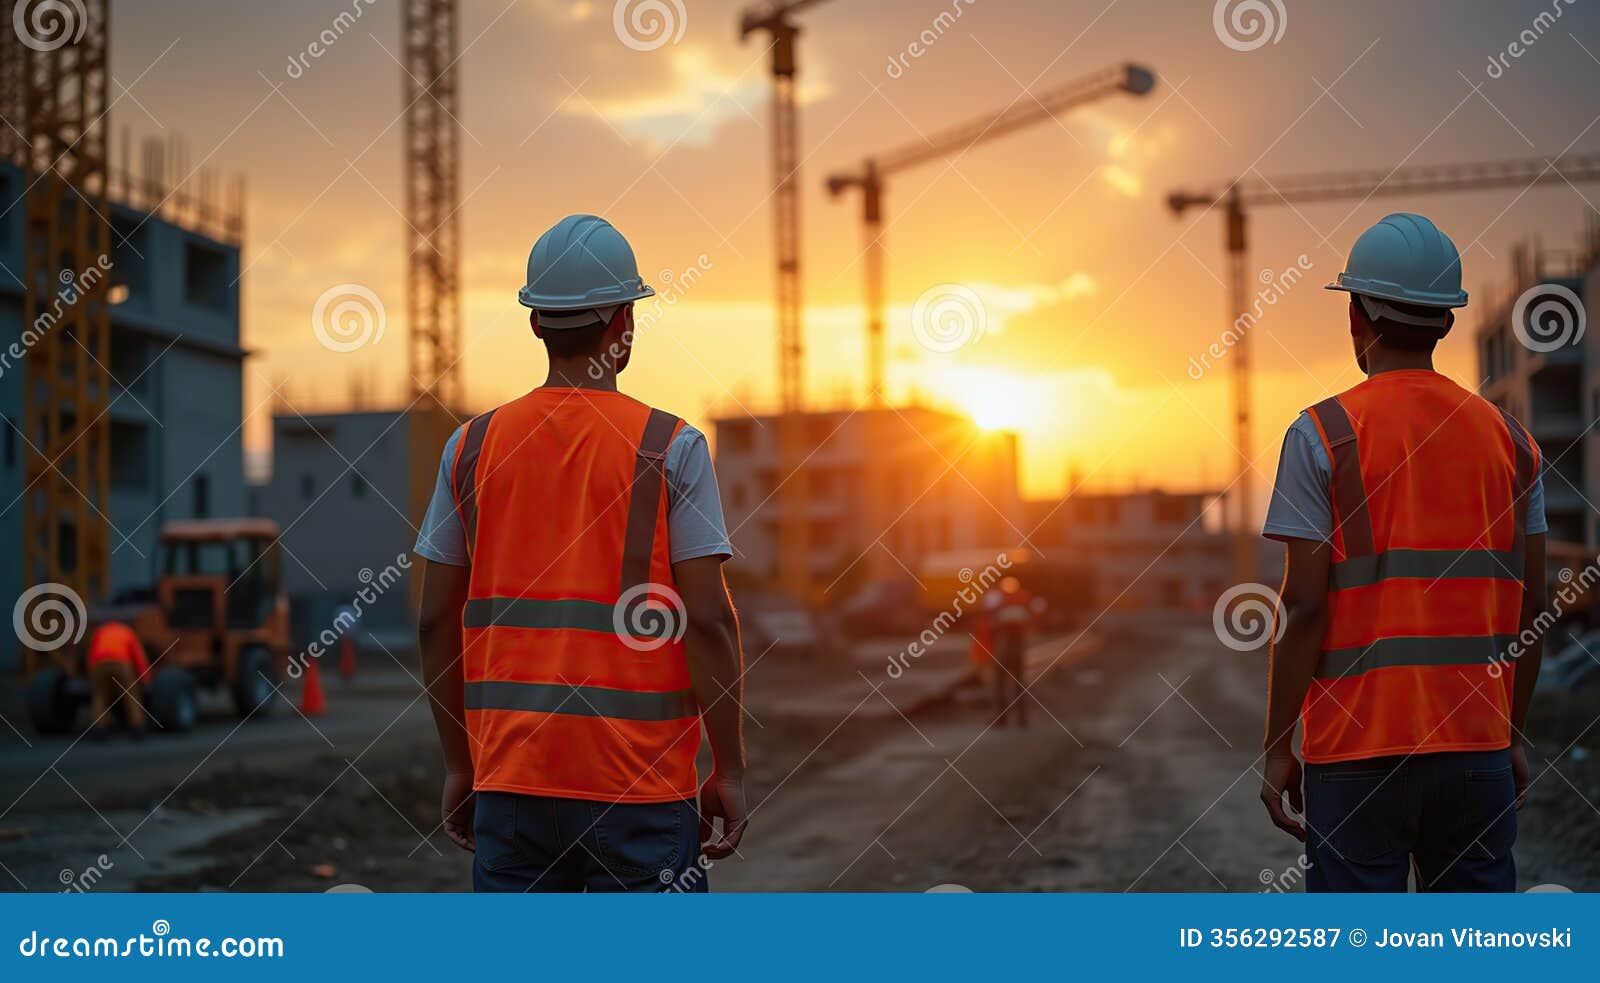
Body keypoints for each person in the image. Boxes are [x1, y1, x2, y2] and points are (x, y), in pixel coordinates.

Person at [414, 214, 747, 893]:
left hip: (512, 788)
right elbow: (709, 620)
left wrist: (460, 763)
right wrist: (730, 768)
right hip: (643, 793)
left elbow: (432, 622)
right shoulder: (672, 447)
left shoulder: (470, 448)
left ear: (536, 322)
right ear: (624, 322)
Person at [1258, 213, 1547, 892]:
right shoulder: (1512, 440)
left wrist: (1277, 748)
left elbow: (1303, 606)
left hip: (1358, 758)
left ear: (1357, 317)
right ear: (1446, 322)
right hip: (1476, 751)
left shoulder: (1321, 433)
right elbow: (1532, 604)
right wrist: (1511, 733)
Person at [987, 576, 1041, 728]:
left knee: (1000, 683)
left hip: (1004, 648)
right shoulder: (1024, 600)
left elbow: (991, 622)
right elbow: (1034, 617)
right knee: (1019, 683)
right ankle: (1021, 719)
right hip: (1017, 648)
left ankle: (1001, 718)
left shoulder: (1000, 601)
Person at [86, 621, 150, 740]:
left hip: (99, 664)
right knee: (130, 696)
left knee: (99, 697)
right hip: (121, 663)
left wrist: (91, 676)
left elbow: (91, 654)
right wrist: (145, 678)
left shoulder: (100, 632)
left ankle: (99, 729)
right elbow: (138, 656)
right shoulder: (127, 632)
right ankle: (137, 728)